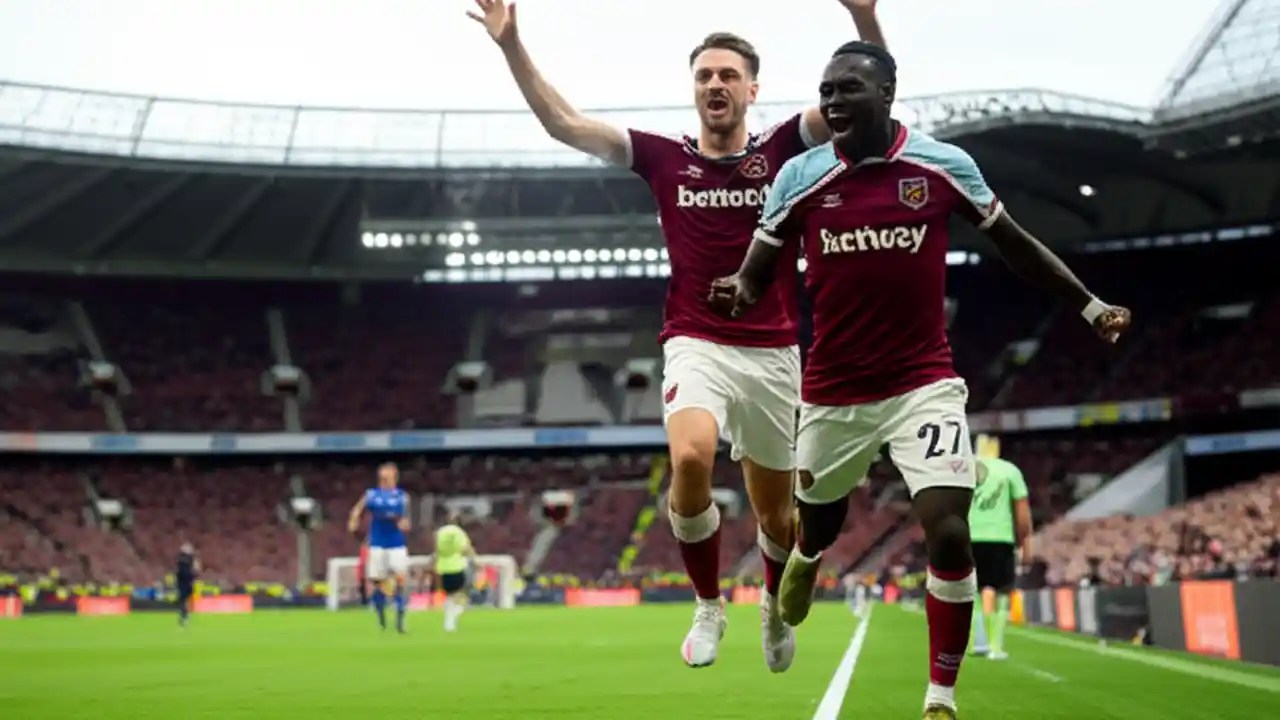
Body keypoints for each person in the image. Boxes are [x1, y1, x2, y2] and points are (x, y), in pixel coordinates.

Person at [709, 41, 1131, 719]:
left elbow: (1015, 245)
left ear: (887, 94)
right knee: (814, 528)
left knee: (949, 531)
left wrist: (1089, 304)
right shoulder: (800, 177)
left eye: (848, 89)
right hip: (834, 392)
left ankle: (940, 698)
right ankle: (808, 556)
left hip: (922, 383)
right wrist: (735, 290)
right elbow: (757, 273)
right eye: (826, 91)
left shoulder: (940, 165)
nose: (833, 101)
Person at [467, 0, 887, 672]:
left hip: (774, 353)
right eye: (703, 76)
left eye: (727, 75)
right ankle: (708, 603)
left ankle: (775, 607)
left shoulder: (783, 149)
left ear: (753, 88)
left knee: (779, 521)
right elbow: (565, 124)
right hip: (696, 340)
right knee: (690, 459)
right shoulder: (663, 158)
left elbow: (868, 103)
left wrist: (864, 20)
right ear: (693, 89)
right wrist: (511, 44)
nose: (714, 85)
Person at [966, 448, 1031, 661]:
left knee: (974, 591)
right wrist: (1025, 542)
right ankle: (996, 646)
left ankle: (978, 642)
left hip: (969, 536)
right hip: (1000, 537)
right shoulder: (1010, 470)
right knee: (1001, 591)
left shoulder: (964, 470)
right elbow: (1022, 514)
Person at [348, 462, 411, 633]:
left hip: (396, 544)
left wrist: (404, 524)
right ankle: (381, 617)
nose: (385, 476)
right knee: (377, 582)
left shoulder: (401, 496)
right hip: (376, 544)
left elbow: (406, 519)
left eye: (388, 474)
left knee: (400, 580)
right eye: (383, 474)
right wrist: (354, 520)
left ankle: (400, 619)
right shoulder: (371, 495)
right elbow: (357, 509)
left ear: (394, 476)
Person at [433, 512, 477, 633]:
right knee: (463, 595)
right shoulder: (459, 533)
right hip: (458, 566)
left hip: (443, 567)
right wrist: (474, 558)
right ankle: (455, 614)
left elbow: (436, 549)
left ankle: (449, 622)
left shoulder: (440, 532)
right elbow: (465, 548)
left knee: (449, 596)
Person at [175, 542, 199, 627]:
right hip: (186, 581)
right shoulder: (186, 559)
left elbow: (195, 569)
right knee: (184, 600)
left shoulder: (183, 559)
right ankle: (184, 616)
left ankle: (184, 616)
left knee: (183, 600)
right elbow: (195, 569)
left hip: (185, 582)